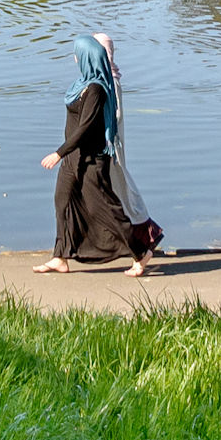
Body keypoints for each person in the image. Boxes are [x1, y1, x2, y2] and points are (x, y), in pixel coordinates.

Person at [37, 33, 157, 276]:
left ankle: (141, 253)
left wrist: (58, 153)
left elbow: (85, 127)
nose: (74, 58)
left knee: (105, 208)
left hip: (91, 159)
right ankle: (60, 257)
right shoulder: (80, 84)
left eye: (77, 54)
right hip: (74, 158)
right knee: (62, 202)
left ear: (87, 57)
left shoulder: (97, 89)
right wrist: (66, 155)